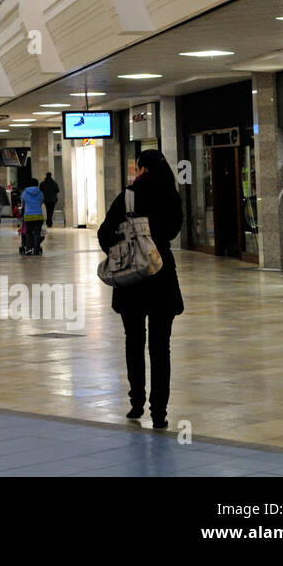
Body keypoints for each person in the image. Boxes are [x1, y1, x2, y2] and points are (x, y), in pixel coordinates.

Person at [97, 149, 184, 430]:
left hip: (132, 280)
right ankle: (159, 411)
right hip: (160, 275)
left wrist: (121, 249)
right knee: (161, 347)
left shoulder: (129, 195)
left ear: (142, 168)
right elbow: (172, 232)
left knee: (133, 340)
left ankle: (136, 402)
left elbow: (103, 233)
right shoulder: (171, 194)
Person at [20, 177, 45, 255]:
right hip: (38, 215)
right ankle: (36, 250)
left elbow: (23, 204)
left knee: (28, 233)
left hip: (28, 215)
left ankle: (28, 249)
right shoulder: (40, 192)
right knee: (37, 233)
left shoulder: (24, 193)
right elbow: (41, 202)